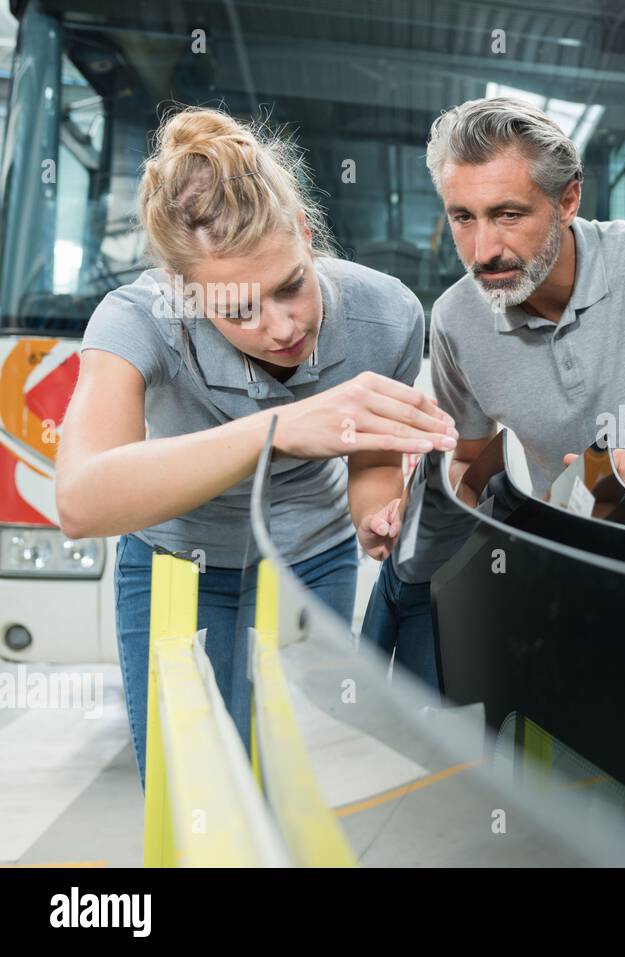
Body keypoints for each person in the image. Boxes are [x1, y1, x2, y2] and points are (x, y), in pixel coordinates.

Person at [56, 106, 458, 787]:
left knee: (297, 783)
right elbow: (81, 501)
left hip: (311, 560)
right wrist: (274, 431)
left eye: (291, 286)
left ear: (305, 233)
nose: (281, 327)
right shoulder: (137, 320)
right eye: (239, 310)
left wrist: (379, 516)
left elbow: (370, 463)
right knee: (193, 790)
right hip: (174, 566)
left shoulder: (387, 314)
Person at [360, 96, 625, 690]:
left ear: (568, 200)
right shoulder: (457, 318)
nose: (483, 250)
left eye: (508, 214)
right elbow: (468, 457)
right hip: (564, 573)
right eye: (462, 217)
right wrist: (425, 516)